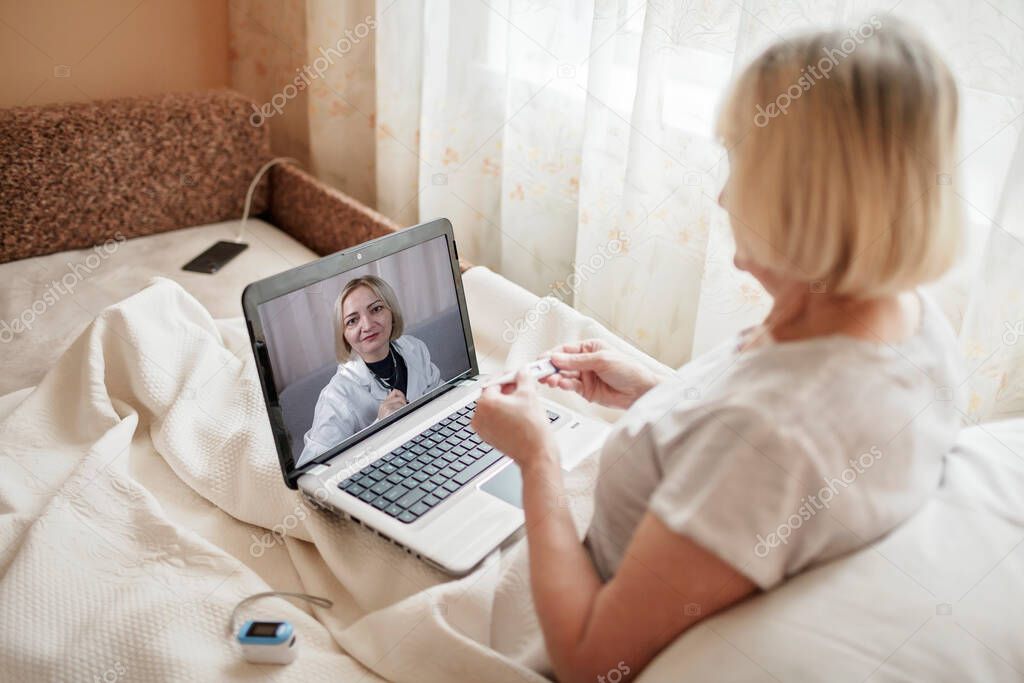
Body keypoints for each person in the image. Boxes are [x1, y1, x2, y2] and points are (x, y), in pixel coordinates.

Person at [472, 20, 964, 683]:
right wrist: (659, 390)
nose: (724, 194)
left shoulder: (773, 439)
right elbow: (751, 455)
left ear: (808, 204)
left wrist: (536, 458)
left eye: (743, 165)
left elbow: (592, 660)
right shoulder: (912, 320)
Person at [300, 275, 441, 465]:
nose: (367, 325)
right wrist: (379, 428)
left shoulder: (415, 349)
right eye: (352, 321)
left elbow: (442, 399)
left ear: (392, 313)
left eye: (376, 309)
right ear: (344, 336)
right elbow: (312, 471)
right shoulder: (336, 397)